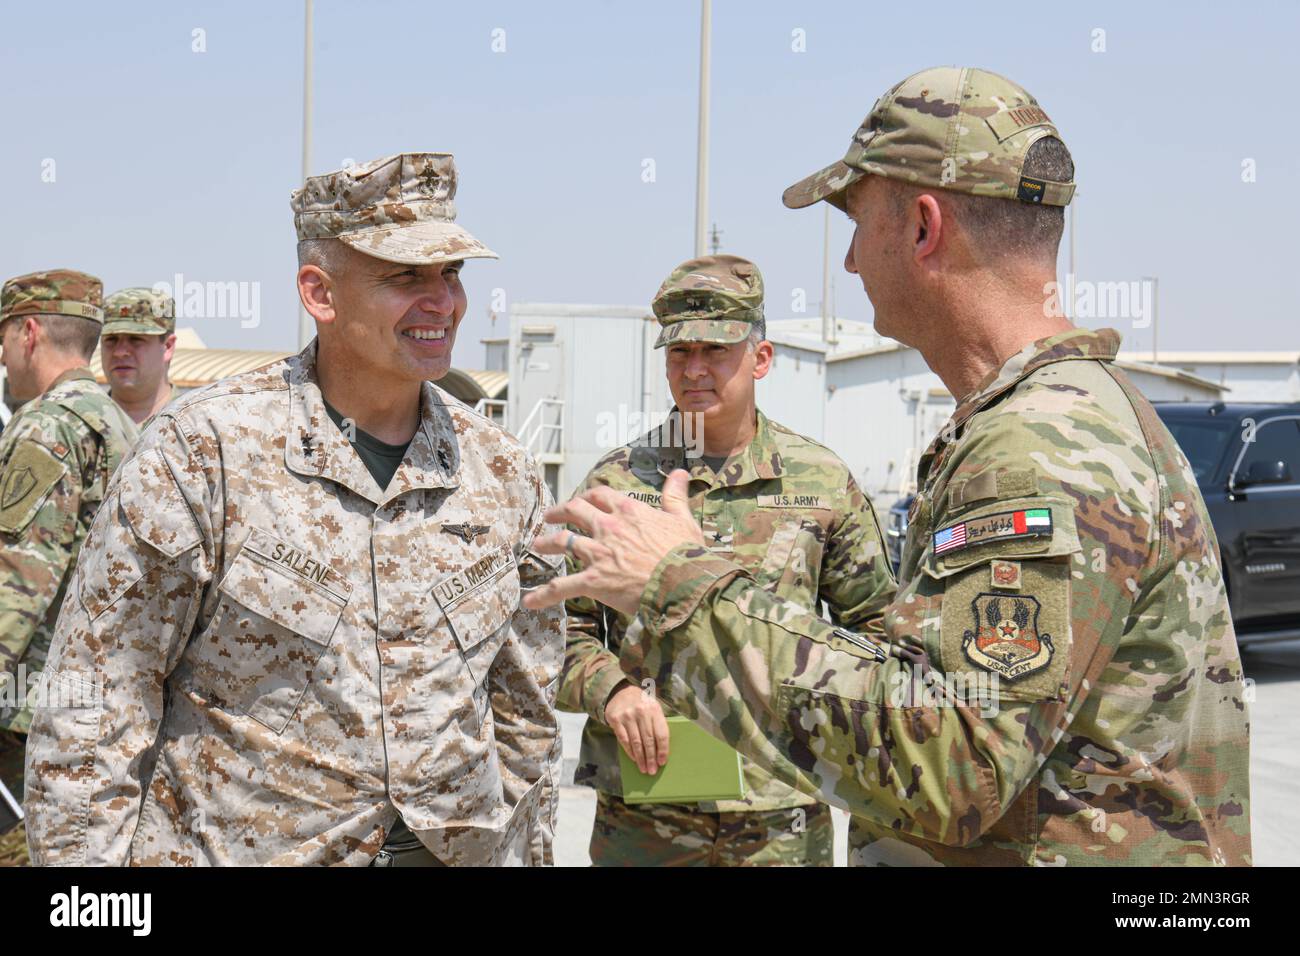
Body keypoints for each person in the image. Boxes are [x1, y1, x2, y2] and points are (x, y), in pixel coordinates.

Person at [526, 67, 1252, 866]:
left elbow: (950, 766)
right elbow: (923, 682)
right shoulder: (1050, 421)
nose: (847, 264)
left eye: (857, 220)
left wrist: (680, 586)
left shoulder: (1039, 449)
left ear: (922, 227)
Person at [24, 152, 565, 866]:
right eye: (406, 276)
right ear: (320, 293)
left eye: (452, 274)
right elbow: (95, 706)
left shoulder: (502, 472)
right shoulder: (205, 453)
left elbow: (526, 715)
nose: (443, 302)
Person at [560, 254, 895, 866]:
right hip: (644, 814)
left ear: (760, 358)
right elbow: (562, 632)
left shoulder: (820, 482)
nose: (695, 370)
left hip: (782, 819)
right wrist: (611, 693)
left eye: (715, 351)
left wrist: (807, 707)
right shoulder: (614, 483)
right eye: (679, 352)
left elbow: (877, 634)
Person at [0, 269, 137, 867]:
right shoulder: (116, 422)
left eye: (3, 338)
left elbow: (18, 577)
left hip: (33, 715)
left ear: (28, 332)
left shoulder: (48, 423)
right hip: (98, 707)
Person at [101, 287, 178, 427]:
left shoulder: (196, 422)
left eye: (135, 339)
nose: (120, 352)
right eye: (111, 339)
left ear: (167, 346)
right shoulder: (77, 424)